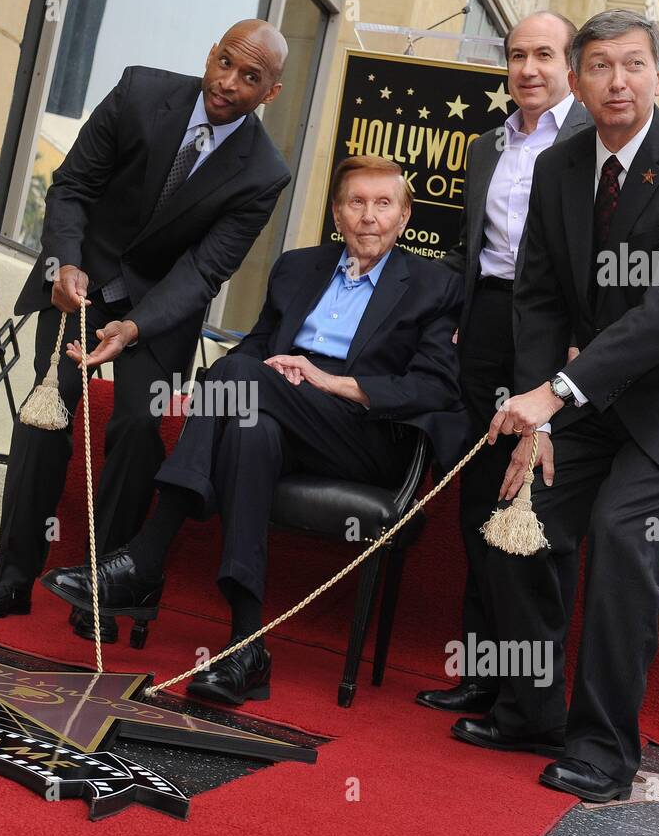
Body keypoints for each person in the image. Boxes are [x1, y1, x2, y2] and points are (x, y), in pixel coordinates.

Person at [456, 10, 659, 802]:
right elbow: (536, 295)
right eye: (599, 66)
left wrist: (558, 390)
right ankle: (530, 707)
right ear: (578, 79)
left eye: (633, 65)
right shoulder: (561, 166)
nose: (616, 81)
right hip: (603, 383)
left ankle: (604, 745)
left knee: (619, 528)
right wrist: (537, 417)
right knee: (521, 512)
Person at [40, 155, 463, 704]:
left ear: (404, 218)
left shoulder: (434, 284)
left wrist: (331, 383)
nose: (369, 216)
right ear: (337, 213)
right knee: (248, 427)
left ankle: (147, 558)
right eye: (356, 202)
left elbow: (434, 388)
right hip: (278, 412)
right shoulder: (296, 267)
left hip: (363, 431)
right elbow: (260, 348)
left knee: (234, 377)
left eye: (384, 204)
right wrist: (277, 378)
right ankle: (246, 647)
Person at [0, 21, 293, 641]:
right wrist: (64, 264)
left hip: (160, 308)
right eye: (224, 63)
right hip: (80, 274)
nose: (228, 83)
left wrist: (135, 326)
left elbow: (204, 270)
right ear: (209, 52)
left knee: (138, 427)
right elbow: (73, 186)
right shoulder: (140, 91)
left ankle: (101, 591)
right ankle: (11, 576)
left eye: (250, 77)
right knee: (46, 412)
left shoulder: (264, 173)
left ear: (269, 93)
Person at [417, 11, 592, 716]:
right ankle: (483, 675)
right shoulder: (486, 144)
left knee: (535, 507)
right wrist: (461, 321)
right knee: (478, 501)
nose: (527, 69)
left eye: (543, 55)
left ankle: (529, 696)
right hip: (486, 325)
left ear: (570, 65)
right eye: (517, 55)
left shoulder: (591, 139)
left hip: (557, 335)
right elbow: (472, 248)